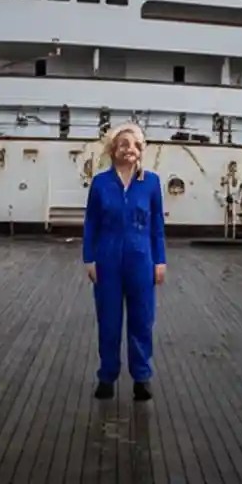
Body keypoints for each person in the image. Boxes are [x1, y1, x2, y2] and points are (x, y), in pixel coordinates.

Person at [82, 122, 167, 401]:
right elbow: (91, 222)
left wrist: (160, 260)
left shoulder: (151, 183)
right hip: (106, 259)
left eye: (135, 145)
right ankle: (107, 376)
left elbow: (157, 225)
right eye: (123, 144)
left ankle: (141, 377)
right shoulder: (101, 183)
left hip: (141, 259)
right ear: (113, 149)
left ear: (141, 150)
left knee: (142, 320)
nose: (129, 149)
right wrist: (89, 258)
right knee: (109, 320)